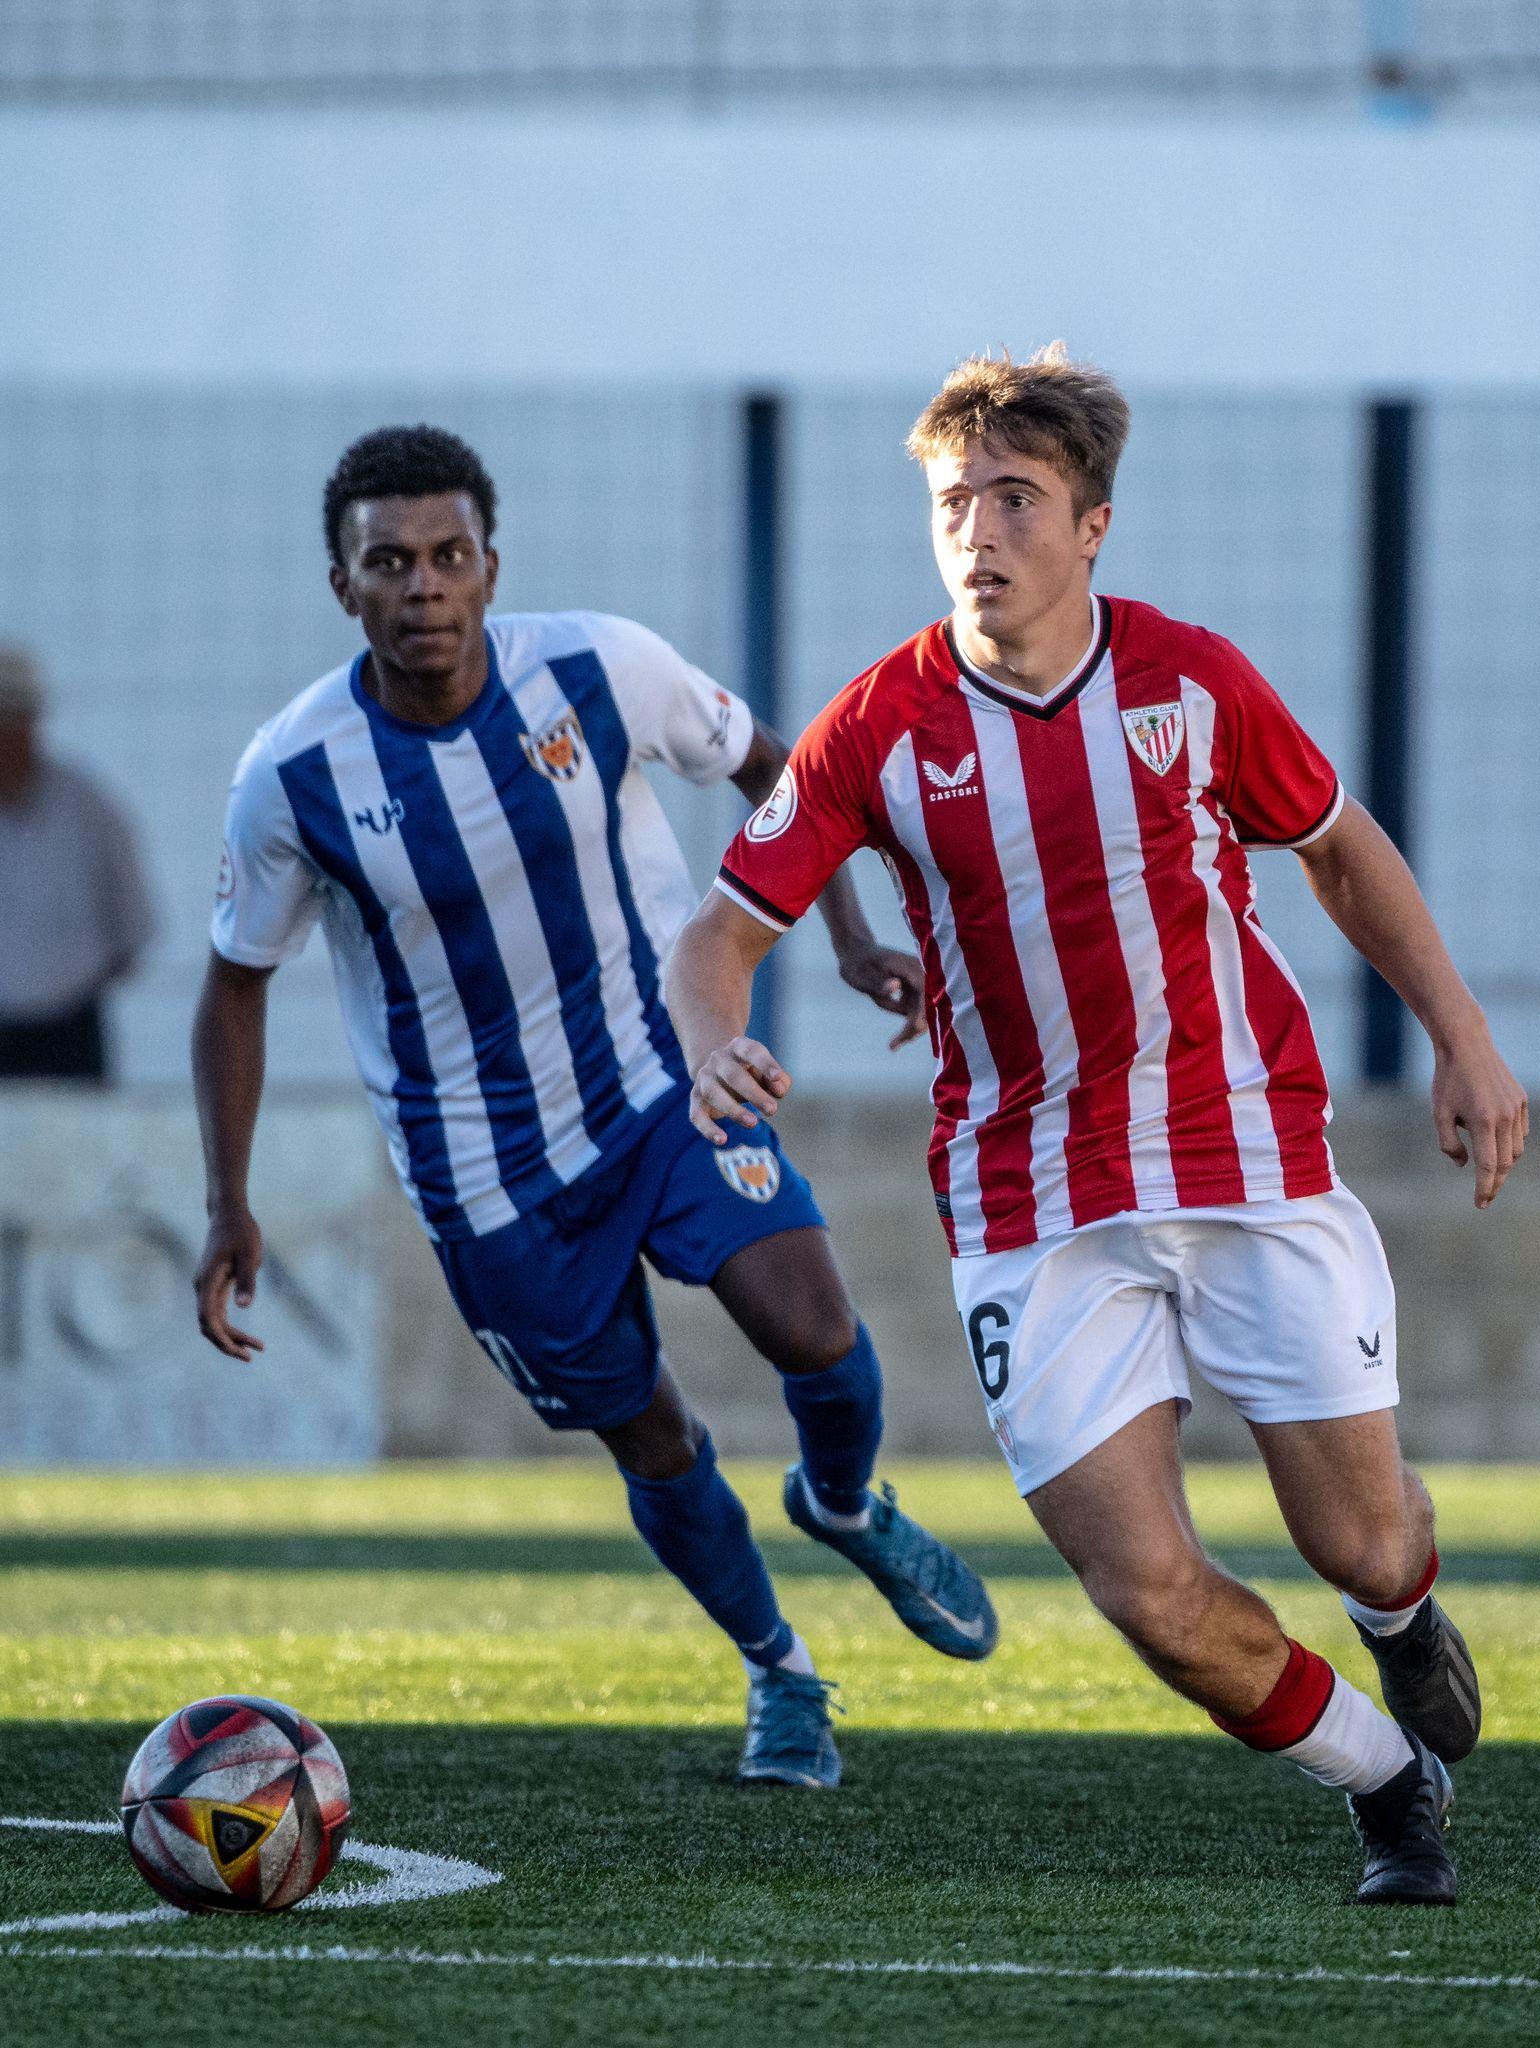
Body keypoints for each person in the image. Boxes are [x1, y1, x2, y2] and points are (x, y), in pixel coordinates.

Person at [668, 347, 1528, 1902]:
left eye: (1013, 498)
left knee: (1361, 1545)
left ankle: (1402, 1622)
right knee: (1139, 1589)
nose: (977, 532)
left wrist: (1460, 1039)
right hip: (1027, 1202)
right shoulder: (875, 725)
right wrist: (712, 1049)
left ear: (1090, 525)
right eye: (952, 503)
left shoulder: (1191, 683)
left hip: (1245, 1154)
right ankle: (1387, 1785)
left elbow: (1337, 852)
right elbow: (720, 938)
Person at [191, 424, 997, 1791]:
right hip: (486, 1179)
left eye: (448, 557)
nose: (424, 587)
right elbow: (233, 986)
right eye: (389, 563)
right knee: (650, 1431)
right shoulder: (295, 777)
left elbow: (775, 769)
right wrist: (229, 1200)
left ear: (490, 566)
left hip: (662, 1081)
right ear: (345, 587)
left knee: (811, 1324)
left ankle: (844, 1500)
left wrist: (850, 935)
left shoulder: (596, 667)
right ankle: (781, 1674)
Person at [0, 645, 157, 1081]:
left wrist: (70, 986)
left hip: (69, 1035)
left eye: (15, 720)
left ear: (34, 722)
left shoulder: (88, 810)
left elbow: (135, 925)